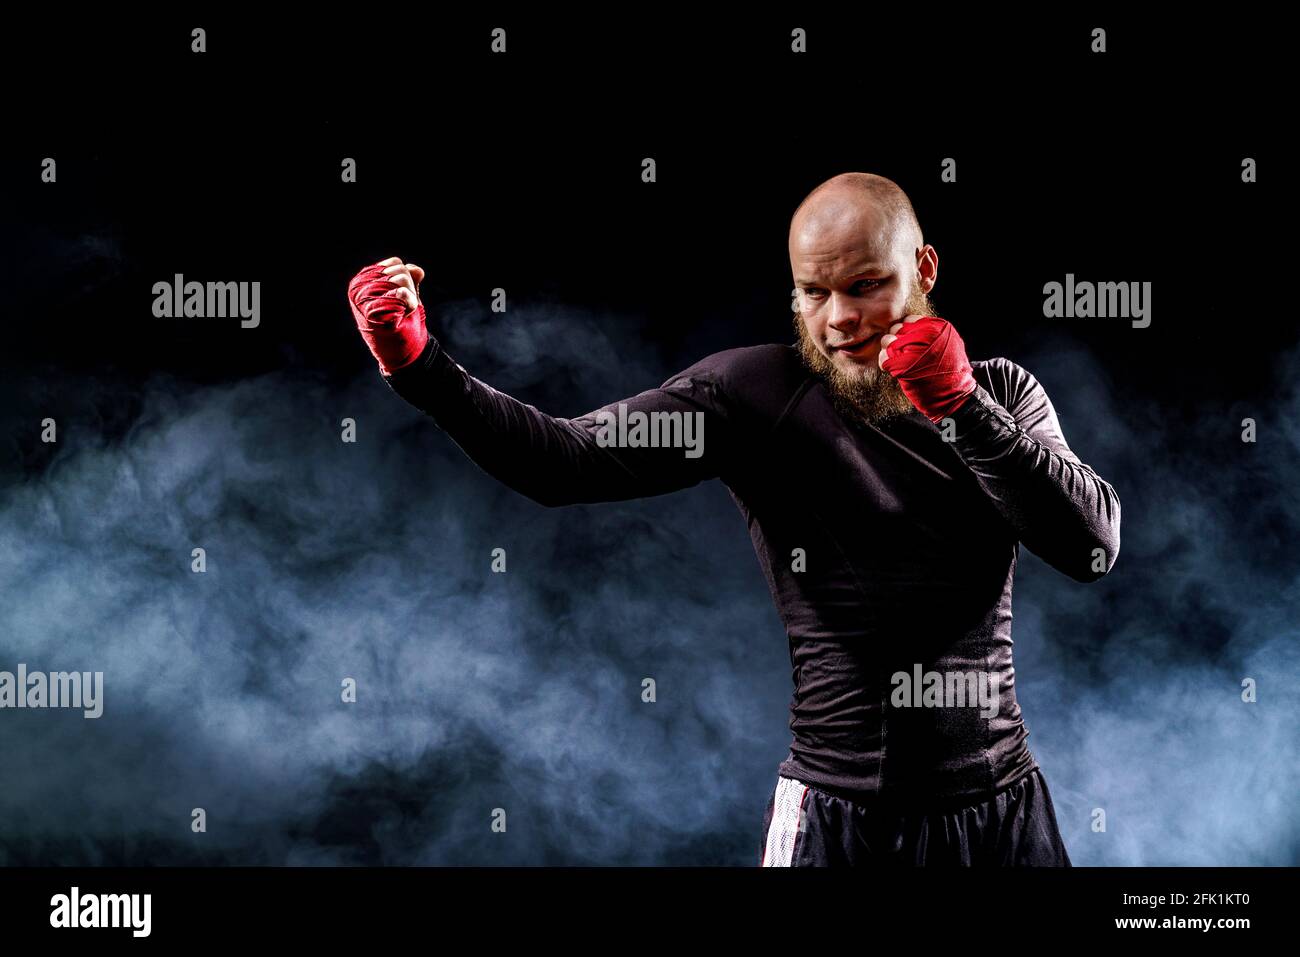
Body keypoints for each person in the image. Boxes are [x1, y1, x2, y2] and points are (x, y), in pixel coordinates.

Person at [346, 172, 1120, 866]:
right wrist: (420, 366)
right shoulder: (754, 394)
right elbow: (564, 461)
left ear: (923, 270)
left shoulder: (1003, 393)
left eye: (865, 285)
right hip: (844, 819)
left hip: (1003, 810)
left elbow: (1090, 545)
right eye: (814, 293)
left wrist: (964, 408)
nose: (840, 319)